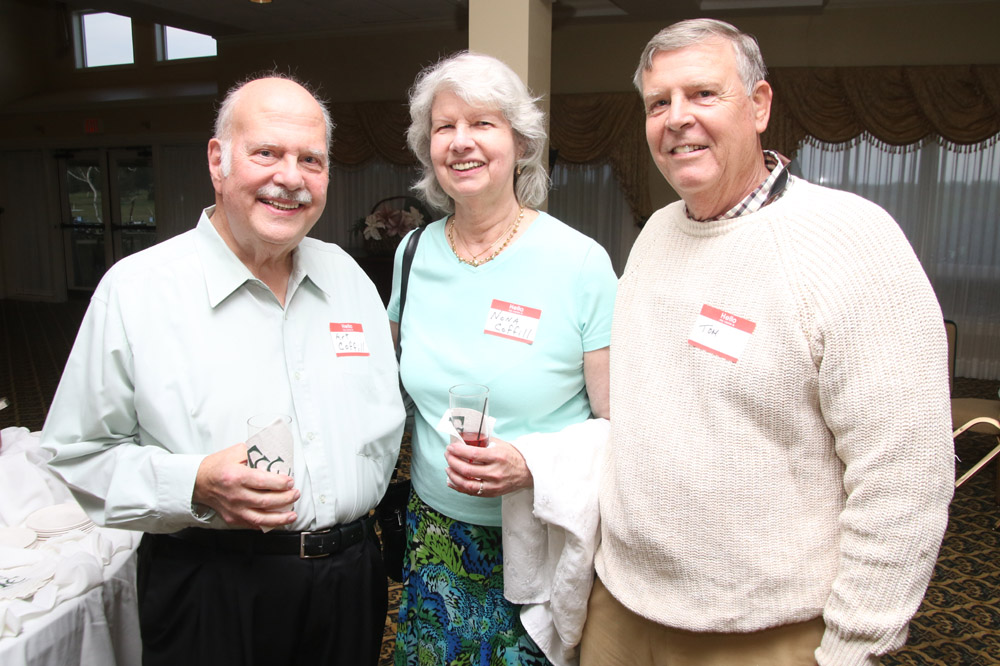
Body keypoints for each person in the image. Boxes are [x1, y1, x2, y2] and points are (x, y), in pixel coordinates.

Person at [581, 19, 955, 666]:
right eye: (657, 103)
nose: (676, 119)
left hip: (766, 633)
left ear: (759, 106)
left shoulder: (852, 240)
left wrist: (854, 647)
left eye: (702, 94)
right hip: (622, 607)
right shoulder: (656, 234)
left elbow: (905, 477)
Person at [41, 74, 405, 666]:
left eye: (310, 160)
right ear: (219, 160)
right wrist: (194, 482)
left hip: (350, 582)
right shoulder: (137, 292)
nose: (290, 178)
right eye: (267, 153)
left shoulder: (349, 279)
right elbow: (76, 456)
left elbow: (382, 422)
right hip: (214, 586)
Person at [387, 51, 618, 665]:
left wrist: (532, 465)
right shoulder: (411, 253)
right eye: (444, 127)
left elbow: (619, 426)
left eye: (483, 123)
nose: (461, 142)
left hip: (542, 540)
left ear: (519, 142)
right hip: (434, 535)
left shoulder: (581, 263)